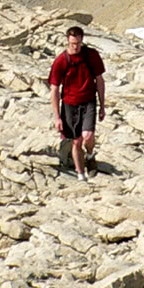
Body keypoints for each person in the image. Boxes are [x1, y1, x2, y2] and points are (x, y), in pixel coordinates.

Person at [48, 25, 105, 180]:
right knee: (76, 141)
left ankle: (91, 156)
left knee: (87, 135)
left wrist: (102, 105)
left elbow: (99, 80)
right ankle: (81, 175)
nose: (76, 46)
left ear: (82, 41)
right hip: (69, 104)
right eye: (73, 43)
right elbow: (54, 89)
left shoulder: (91, 55)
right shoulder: (61, 61)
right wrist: (57, 117)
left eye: (78, 43)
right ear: (67, 41)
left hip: (88, 101)